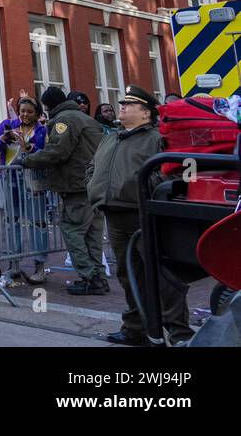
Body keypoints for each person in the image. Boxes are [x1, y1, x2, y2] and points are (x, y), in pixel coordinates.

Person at [88, 85, 192, 346]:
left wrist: (143, 188)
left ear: (146, 113)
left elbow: (173, 171)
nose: (122, 106)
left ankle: (179, 332)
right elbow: (93, 167)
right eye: (122, 103)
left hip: (143, 214)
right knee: (128, 274)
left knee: (162, 274)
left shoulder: (156, 138)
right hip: (114, 214)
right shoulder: (111, 137)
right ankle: (136, 328)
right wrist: (93, 184)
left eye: (130, 104)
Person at [22, 87, 108, 295]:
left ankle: (89, 277)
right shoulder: (86, 119)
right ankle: (98, 277)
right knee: (93, 234)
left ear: (48, 106)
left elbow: (58, 151)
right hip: (94, 184)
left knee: (72, 230)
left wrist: (28, 160)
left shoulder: (64, 120)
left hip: (77, 185)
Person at [0, 94, 49, 284]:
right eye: (22, 111)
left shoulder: (42, 130)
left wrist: (29, 148)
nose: (25, 115)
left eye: (30, 112)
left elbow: (46, 153)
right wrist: (3, 138)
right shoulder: (8, 124)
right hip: (10, 178)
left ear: (37, 113)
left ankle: (39, 266)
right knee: (11, 220)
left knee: (37, 221)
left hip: (33, 179)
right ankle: (13, 264)